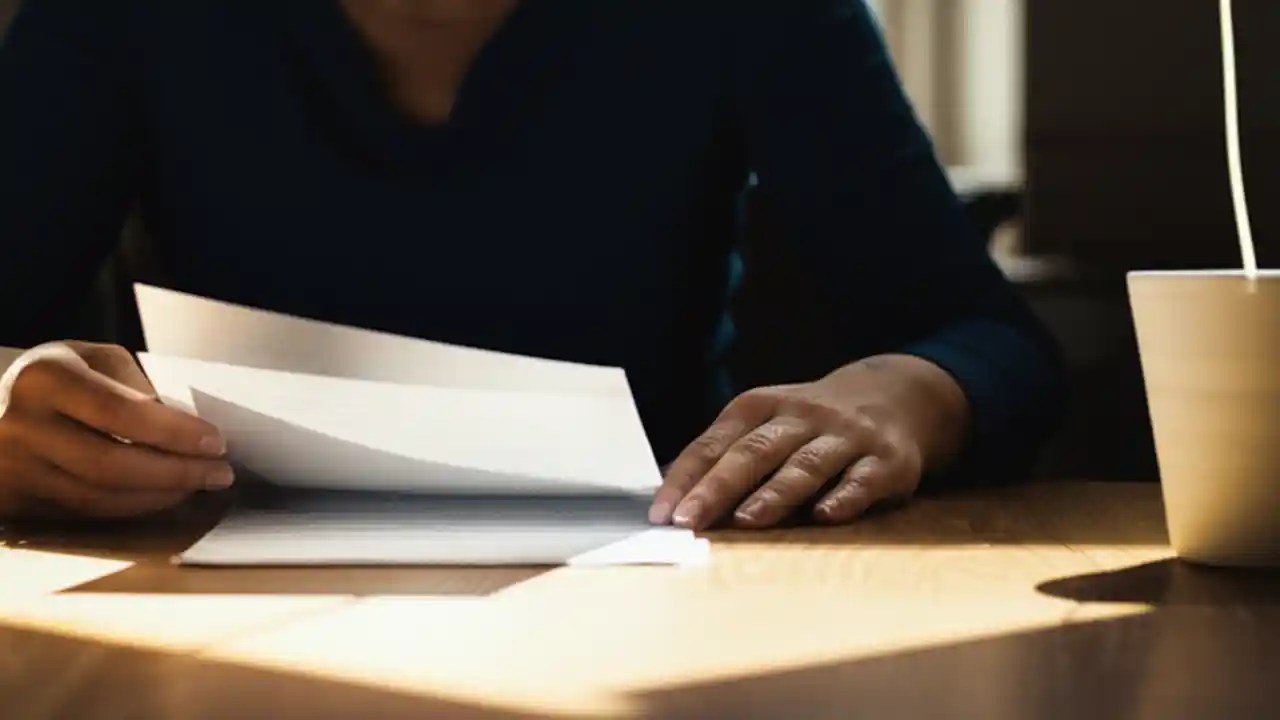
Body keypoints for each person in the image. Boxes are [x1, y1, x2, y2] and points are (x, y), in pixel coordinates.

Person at [0, 0, 1064, 528]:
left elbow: (989, 339)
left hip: (652, 596)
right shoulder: (119, 14)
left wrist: (910, 395)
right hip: (200, 604)